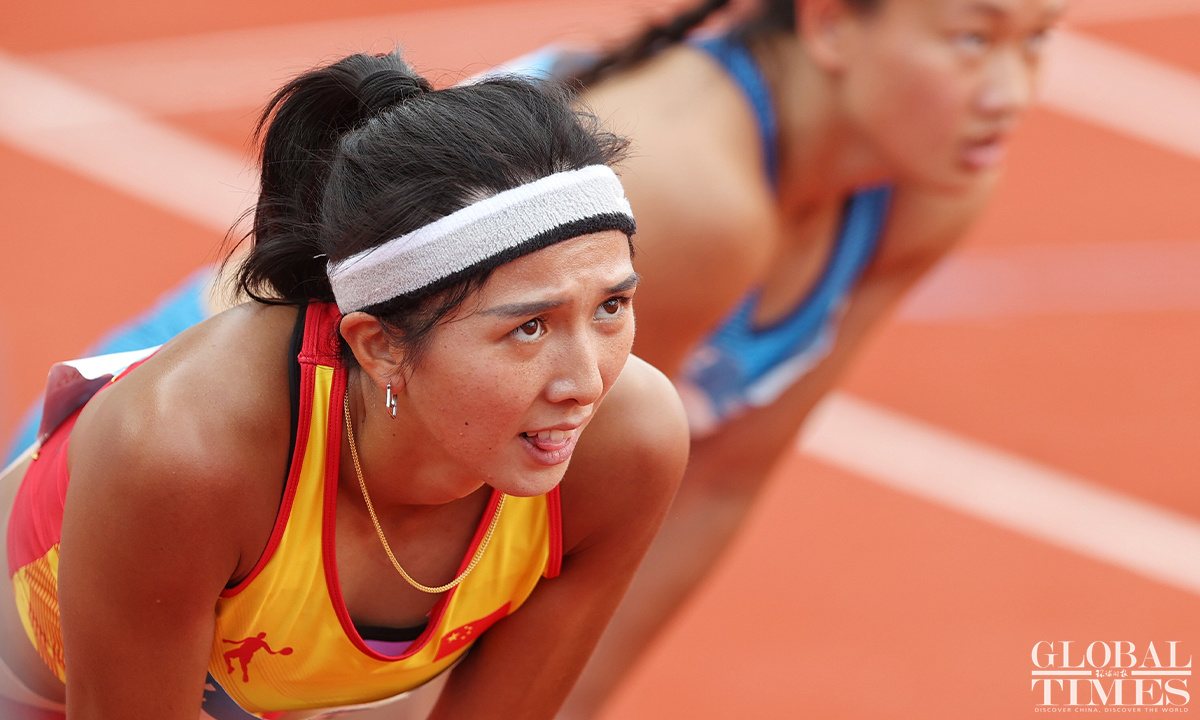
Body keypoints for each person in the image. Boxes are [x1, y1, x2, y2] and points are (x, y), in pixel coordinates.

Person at [5, 0, 1066, 716]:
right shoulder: (692, 196)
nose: (1013, 90)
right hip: (195, 513)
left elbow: (724, 479)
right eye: (972, 36)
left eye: (616, 307)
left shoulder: (621, 415)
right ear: (830, 20)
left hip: (395, 464)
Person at [0, 50, 688, 720]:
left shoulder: (629, 445)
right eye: (530, 328)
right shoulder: (184, 452)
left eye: (610, 307)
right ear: (381, 345)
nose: (587, 382)